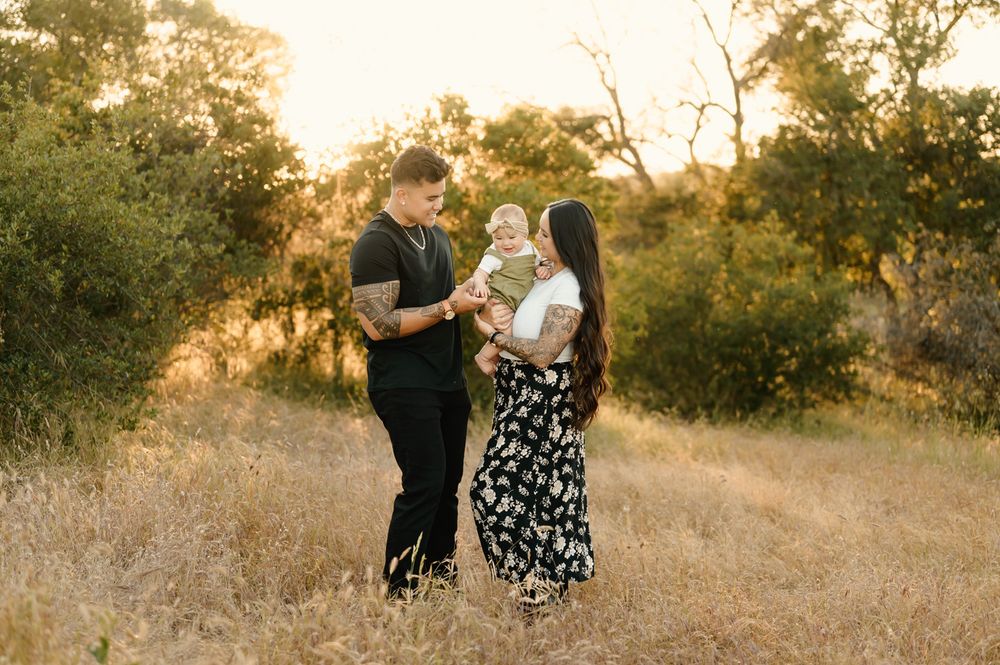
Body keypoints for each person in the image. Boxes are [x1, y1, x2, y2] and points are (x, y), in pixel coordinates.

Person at [348, 145, 497, 598]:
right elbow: (378, 325)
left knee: (448, 485)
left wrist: (467, 293)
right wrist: (449, 305)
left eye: (442, 196)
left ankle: (441, 583)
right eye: (432, 197)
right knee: (425, 481)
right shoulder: (377, 242)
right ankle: (399, 593)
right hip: (404, 382)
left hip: (447, 379)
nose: (440, 205)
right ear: (402, 194)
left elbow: (439, 300)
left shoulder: (439, 236)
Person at [468, 198, 611, 613]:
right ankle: (538, 599)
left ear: (566, 240)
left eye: (545, 234)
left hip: (542, 403)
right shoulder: (547, 276)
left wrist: (492, 339)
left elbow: (546, 351)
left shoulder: (571, 287)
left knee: (490, 492)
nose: (537, 239)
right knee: (534, 501)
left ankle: (536, 588)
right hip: (518, 395)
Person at [470, 203, 551, 376]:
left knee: (511, 331)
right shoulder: (495, 254)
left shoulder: (530, 248)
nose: (505, 243)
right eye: (498, 238)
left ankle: (495, 357)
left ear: (525, 234)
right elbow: (480, 272)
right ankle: (483, 357)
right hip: (502, 298)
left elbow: (539, 264)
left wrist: (541, 269)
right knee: (510, 330)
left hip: (518, 300)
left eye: (511, 237)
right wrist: (480, 284)